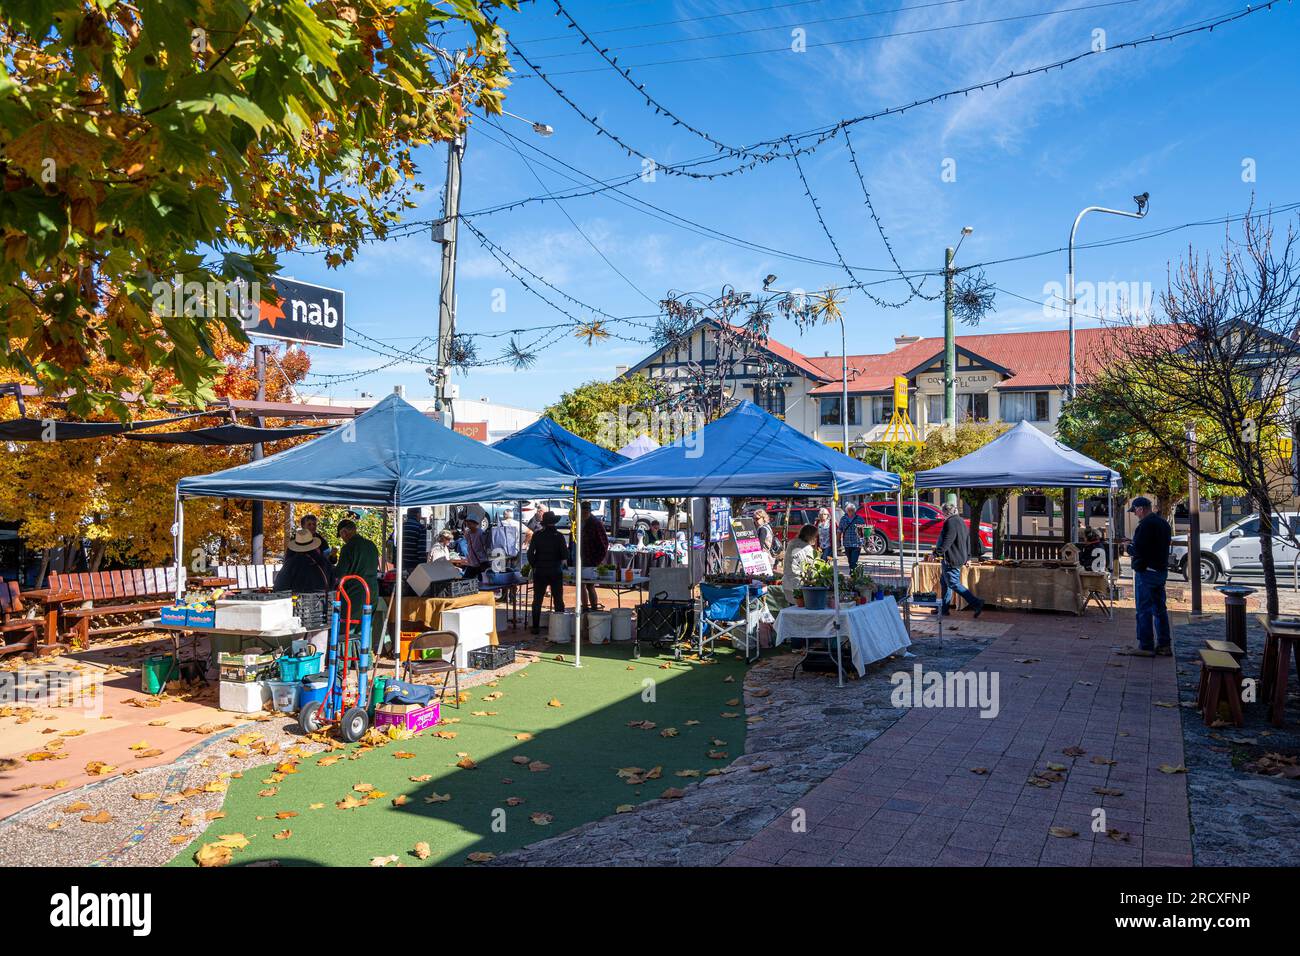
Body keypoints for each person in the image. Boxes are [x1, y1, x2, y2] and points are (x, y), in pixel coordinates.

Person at [1126, 496, 1172, 656]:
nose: (1135, 514)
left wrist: (1128, 548)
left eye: (1135, 511)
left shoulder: (1144, 526)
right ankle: (1164, 644)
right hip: (1160, 570)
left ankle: (1146, 645)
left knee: (1143, 609)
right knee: (1160, 609)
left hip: (1146, 571)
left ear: (1140, 509)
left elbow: (1139, 550)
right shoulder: (1164, 524)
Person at [933, 501, 984, 617]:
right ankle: (944, 608)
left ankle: (976, 603)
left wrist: (936, 553)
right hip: (958, 558)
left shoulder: (950, 523)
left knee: (953, 583)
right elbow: (967, 540)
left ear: (945, 512)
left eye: (943, 513)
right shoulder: (961, 521)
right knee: (944, 582)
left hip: (952, 559)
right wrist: (968, 557)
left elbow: (947, 541)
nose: (942, 515)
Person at [334, 519, 381, 644]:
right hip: (373, 590)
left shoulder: (348, 548)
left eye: (342, 535)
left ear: (344, 533)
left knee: (348, 627)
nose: (343, 538)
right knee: (366, 627)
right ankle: (365, 660)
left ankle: (346, 661)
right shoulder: (371, 545)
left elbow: (340, 574)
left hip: (355, 593)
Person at [527, 511, 567, 634]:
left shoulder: (537, 535)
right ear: (554, 522)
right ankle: (560, 627)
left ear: (544, 523)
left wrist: (535, 565)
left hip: (540, 571)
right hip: (555, 570)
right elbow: (565, 554)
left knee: (537, 600)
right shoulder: (559, 536)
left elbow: (530, 553)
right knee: (558, 599)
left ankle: (535, 627)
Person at [275, 528, 335, 594]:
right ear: (314, 545)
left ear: (296, 546)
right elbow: (333, 584)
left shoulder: (291, 563)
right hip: (323, 602)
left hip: (299, 602)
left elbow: (279, 587)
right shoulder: (325, 561)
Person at [579, 500, 608, 610]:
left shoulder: (595, 523)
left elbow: (604, 544)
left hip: (590, 560)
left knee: (590, 585)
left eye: (586, 511)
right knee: (580, 584)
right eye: (583, 511)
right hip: (580, 558)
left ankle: (594, 607)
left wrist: (596, 561)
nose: (584, 513)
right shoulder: (578, 522)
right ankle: (585, 607)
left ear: (589, 511)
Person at [782, 524, 820, 604]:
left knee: (792, 610)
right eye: (815, 536)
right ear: (811, 536)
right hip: (799, 586)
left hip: (787, 584)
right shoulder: (807, 549)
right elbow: (813, 570)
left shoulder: (791, 543)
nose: (816, 538)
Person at [838, 502, 866, 571]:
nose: (851, 512)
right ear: (846, 511)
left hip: (856, 544)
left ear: (854, 510)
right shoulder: (843, 519)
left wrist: (862, 543)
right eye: (849, 510)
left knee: (853, 562)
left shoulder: (859, 519)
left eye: (852, 510)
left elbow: (862, 532)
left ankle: (853, 575)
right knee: (850, 561)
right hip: (847, 544)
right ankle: (854, 574)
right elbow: (839, 530)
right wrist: (838, 541)